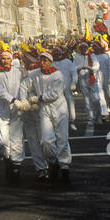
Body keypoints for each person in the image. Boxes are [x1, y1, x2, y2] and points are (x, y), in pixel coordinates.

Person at [32, 51, 72, 184]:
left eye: (45, 61)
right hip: (45, 109)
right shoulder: (36, 74)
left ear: (50, 61)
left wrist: (38, 98)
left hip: (59, 108)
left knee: (62, 139)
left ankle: (65, 167)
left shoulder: (58, 75)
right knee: (46, 140)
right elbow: (27, 83)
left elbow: (55, 94)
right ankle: (53, 162)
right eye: (41, 61)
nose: (42, 63)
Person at [0, 50, 24, 183]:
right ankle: (3, 153)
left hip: (16, 109)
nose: (5, 61)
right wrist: (13, 100)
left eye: (7, 59)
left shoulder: (17, 71)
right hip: (2, 110)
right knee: (3, 140)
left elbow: (23, 86)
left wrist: (22, 100)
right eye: (3, 59)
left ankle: (15, 166)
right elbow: (0, 91)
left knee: (16, 139)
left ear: (11, 59)